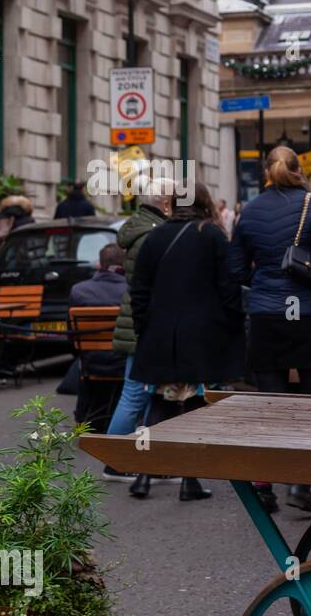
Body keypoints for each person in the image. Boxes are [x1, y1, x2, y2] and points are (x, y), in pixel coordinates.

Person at [228, 146, 311, 513]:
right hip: (310, 312)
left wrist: (264, 280)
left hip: (266, 313)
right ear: (297, 170)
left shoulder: (250, 210)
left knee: (270, 402)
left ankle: (264, 485)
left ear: (266, 172)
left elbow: (235, 269)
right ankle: (304, 482)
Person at [128, 183, 245, 501]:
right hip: (202, 335)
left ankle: (142, 475)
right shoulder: (213, 235)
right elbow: (229, 287)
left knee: (160, 403)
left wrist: (144, 329)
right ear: (205, 202)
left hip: (162, 335)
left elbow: (139, 291)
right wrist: (232, 324)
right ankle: (189, 480)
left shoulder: (156, 237)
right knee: (194, 407)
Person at [100, 178, 171, 481]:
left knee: (139, 392)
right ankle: (116, 460)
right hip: (145, 323)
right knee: (136, 393)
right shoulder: (151, 235)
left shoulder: (137, 228)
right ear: (165, 203)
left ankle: (126, 459)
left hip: (137, 321)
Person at [68, 243, 129, 430]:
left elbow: (71, 336)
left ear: (99, 263)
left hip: (90, 362)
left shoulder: (79, 290)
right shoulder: (131, 290)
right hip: (124, 363)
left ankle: (83, 416)